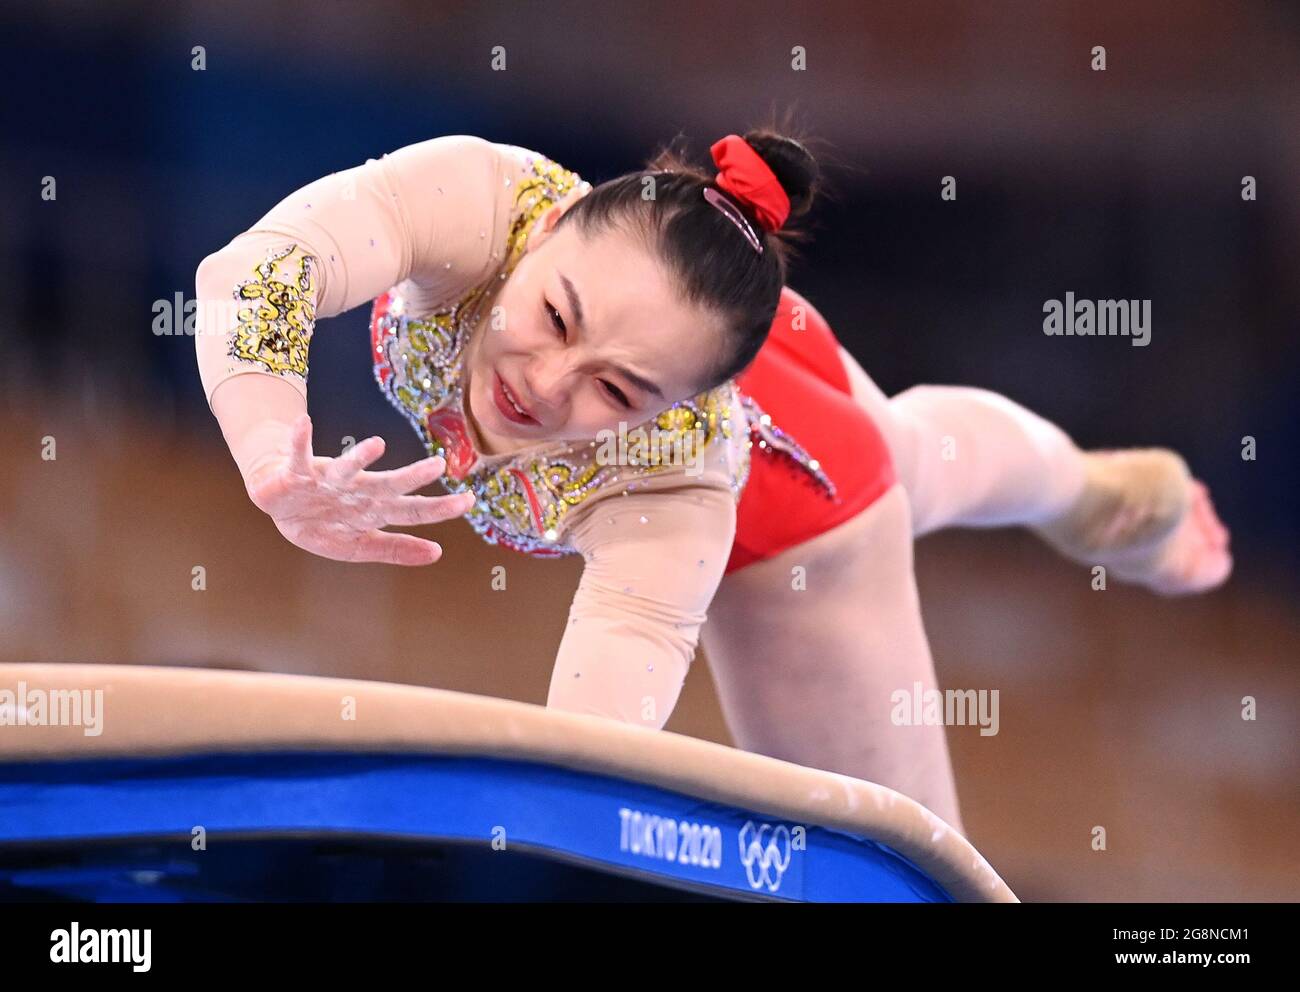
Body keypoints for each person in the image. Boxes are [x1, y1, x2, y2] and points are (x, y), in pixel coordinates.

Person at [194, 129, 1231, 833]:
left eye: (614, 388)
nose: (546, 387)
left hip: (804, 528)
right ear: (549, 229)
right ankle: (1105, 495)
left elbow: (586, 748)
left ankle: (1086, 494)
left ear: (675, 406)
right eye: (555, 316)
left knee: (902, 859)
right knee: (910, 444)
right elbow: (258, 269)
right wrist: (268, 450)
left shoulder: (676, 488)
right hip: (723, 336)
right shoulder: (478, 201)